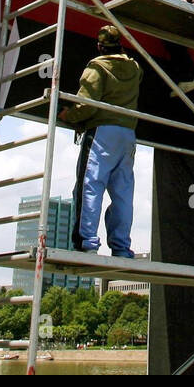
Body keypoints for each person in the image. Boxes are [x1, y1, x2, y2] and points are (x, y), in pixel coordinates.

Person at [57, 26, 142, 257]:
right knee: (123, 192)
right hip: (128, 135)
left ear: (100, 46)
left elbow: (86, 106)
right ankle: (122, 247)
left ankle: (87, 242)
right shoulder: (135, 68)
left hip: (102, 133)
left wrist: (68, 115)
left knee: (90, 186)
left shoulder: (97, 67)